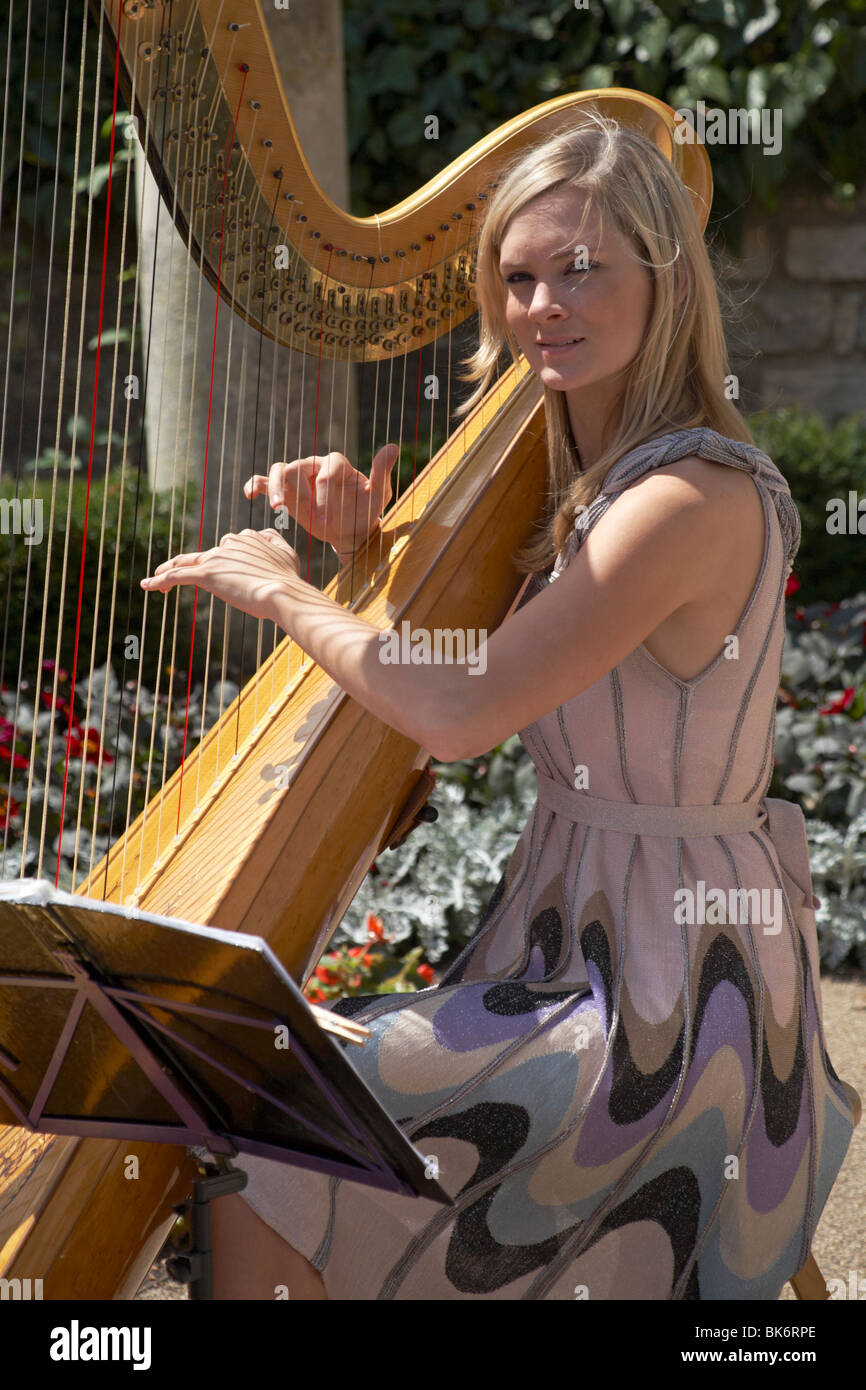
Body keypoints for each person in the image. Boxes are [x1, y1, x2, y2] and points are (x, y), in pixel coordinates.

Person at [141, 110, 856, 1300]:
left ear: (664, 278)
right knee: (270, 1099)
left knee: (277, 1123)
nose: (542, 305)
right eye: (517, 277)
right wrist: (359, 553)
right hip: (567, 944)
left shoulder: (681, 499)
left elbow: (461, 714)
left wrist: (283, 598)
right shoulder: (581, 482)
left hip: (674, 1007)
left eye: (581, 269)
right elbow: (483, 659)